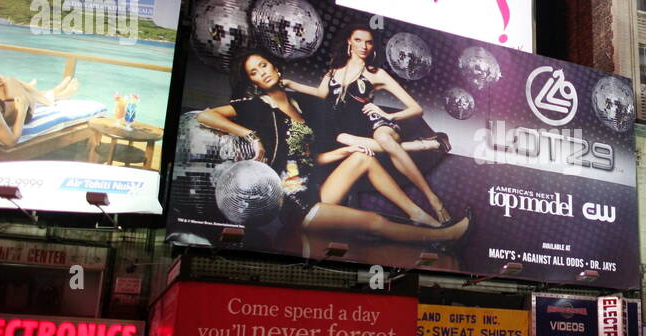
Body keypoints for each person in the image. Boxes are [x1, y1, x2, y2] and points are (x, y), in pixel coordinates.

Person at [197, 50, 470, 251]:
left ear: (275, 67)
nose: (262, 73)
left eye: (264, 65)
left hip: (314, 189)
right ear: (253, 82)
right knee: (374, 221)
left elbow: (309, 159)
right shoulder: (257, 106)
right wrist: (252, 135)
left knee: (362, 157)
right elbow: (207, 116)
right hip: (296, 204)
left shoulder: (298, 104)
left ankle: (420, 216)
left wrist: (348, 149)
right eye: (254, 73)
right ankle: (444, 237)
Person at [307, 28, 452, 224]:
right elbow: (318, 95)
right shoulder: (333, 73)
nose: (363, 46)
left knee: (382, 138)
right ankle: (423, 145)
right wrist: (289, 83)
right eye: (358, 40)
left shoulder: (377, 74)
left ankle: (433, 198)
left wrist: (388, 114)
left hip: (379, 125)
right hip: (350, 131)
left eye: (368, 42)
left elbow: (416, 109)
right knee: (344, 138)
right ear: (349, 41)